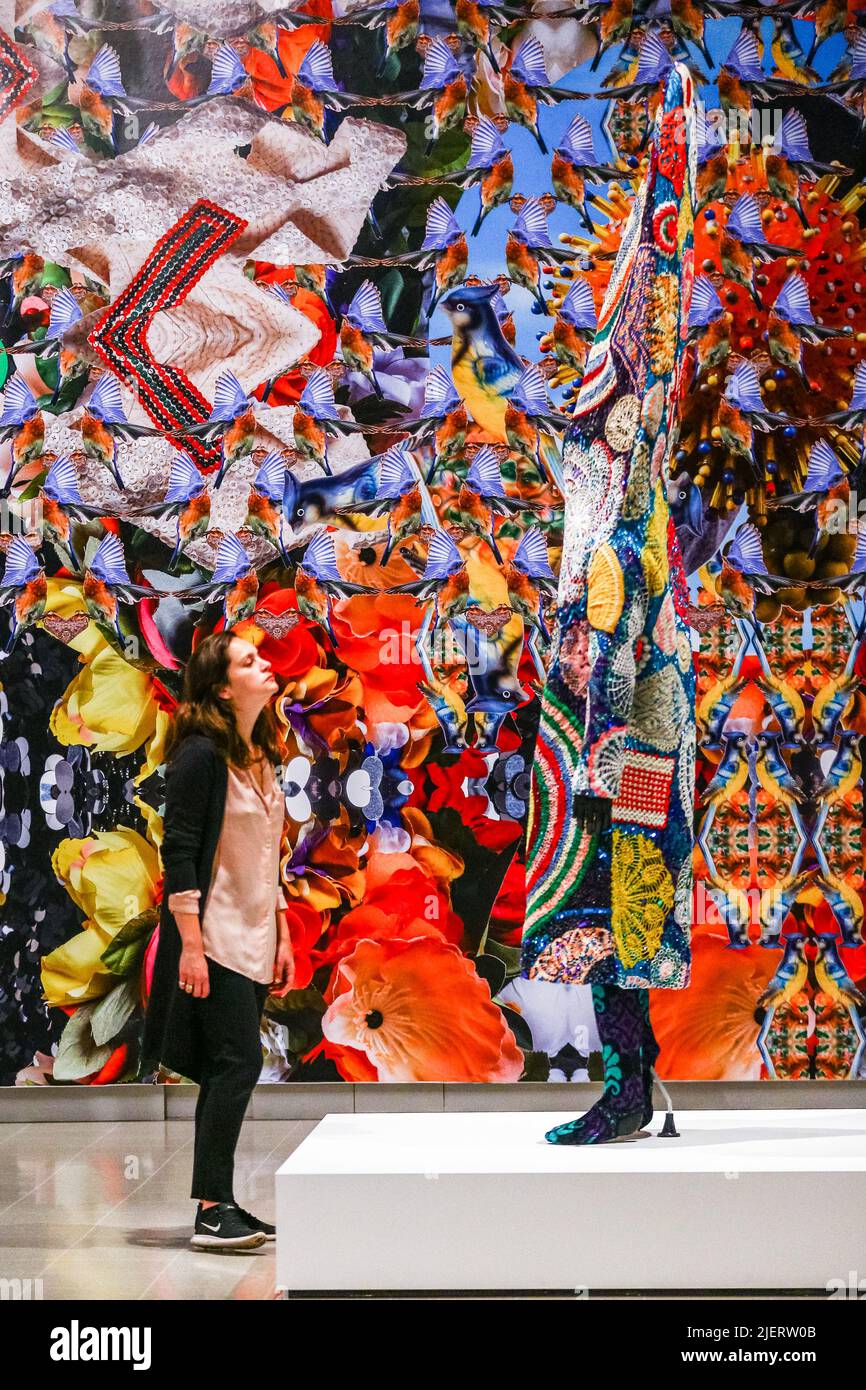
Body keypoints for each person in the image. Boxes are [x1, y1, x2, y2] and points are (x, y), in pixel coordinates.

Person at [520, 63, 698, 1144]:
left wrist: (596, 763)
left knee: (606, 915)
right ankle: (626, 1087)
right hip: (613, 744)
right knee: (599, 916)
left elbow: (617, 648)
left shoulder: (622, 526)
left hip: (620, 752)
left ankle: (629, 1092)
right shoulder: (614, 514)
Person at [138, 631, 295, 1249]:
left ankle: (220, 1200)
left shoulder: (261, 754)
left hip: (254, 936)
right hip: (215, 939)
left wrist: (282, 933)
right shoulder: (200, 755)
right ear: (224, 688)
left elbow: (265, 857)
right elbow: (177, 853)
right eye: (250, 661)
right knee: (238, 1062)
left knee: (230, 1068)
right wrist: (192, 947)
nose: (266, 664)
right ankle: (210, 1209)